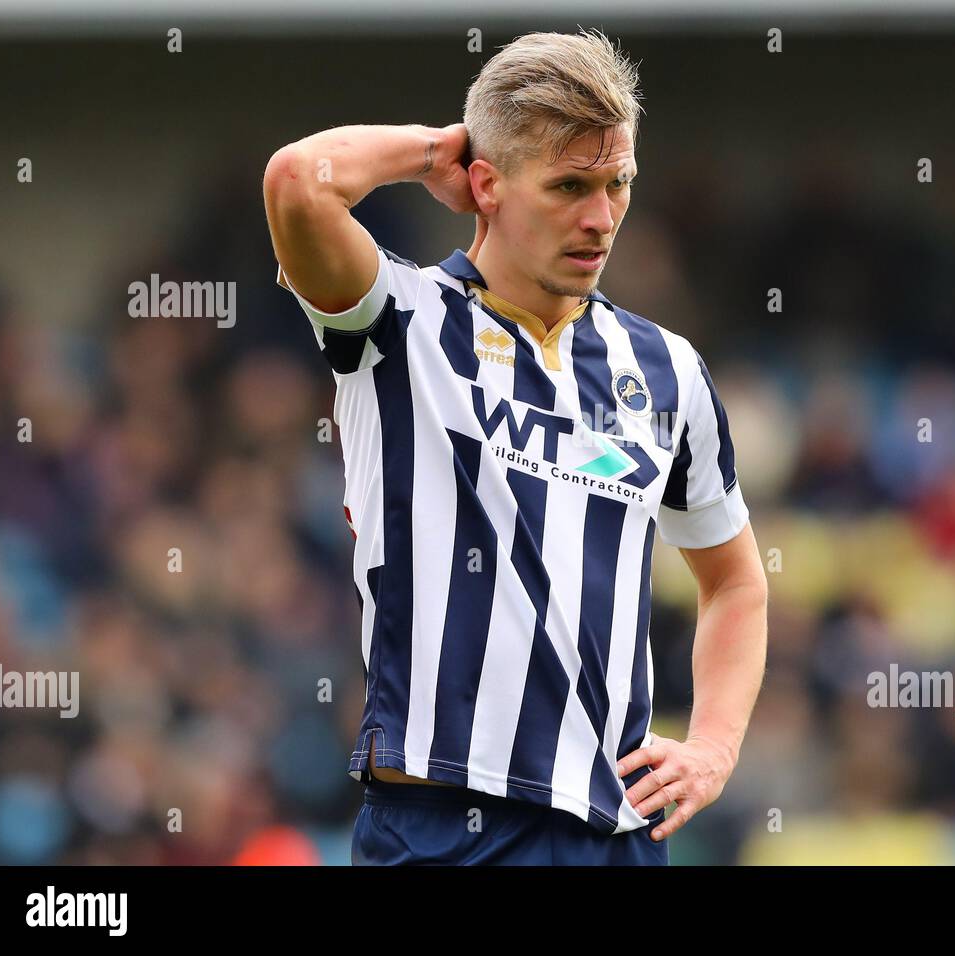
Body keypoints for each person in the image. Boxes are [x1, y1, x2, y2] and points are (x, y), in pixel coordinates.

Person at [262, 28, 768, 865]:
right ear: (487, 185)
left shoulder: (666, 370)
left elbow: (737, 583)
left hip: (611, 830)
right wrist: (438, 152)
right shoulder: (401, 321)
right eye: (569, 185)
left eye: (618, 184)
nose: (602, 218)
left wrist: (713, 746)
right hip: (436, 828)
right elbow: (297, 184)